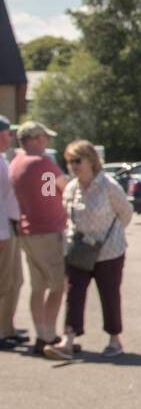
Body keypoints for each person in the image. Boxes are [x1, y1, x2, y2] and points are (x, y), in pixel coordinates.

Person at [46, 139, 133, 360]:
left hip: (108, 252)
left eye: (77, 160)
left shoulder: (108, 186)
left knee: (109, 295)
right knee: (74, 294)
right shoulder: (72, 188)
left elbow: (126, 213)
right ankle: (68, 341)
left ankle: (114, 339)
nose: (73, 166)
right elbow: (69, 219)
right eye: (69, 161)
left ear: (91, 161)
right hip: (79, 251)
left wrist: (109, 235)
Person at [9, 121, 69, 356]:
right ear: (34, 138)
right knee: (57, 285)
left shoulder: (16, 163)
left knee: (38, 286)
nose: (46, 142)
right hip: (47, 231)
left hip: (27, 231)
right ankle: (49, 336)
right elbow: (56, 191)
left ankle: (40, 334)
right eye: (44, 137)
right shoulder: (42, 163)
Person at [0, 115, 28, 349]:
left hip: (9, 227)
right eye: (8, 133)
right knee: (7, 282)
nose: (10, 138)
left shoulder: (4, 159)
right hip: (4, 229)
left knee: (14, 280)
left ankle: (6, 327)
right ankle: (3, 331)